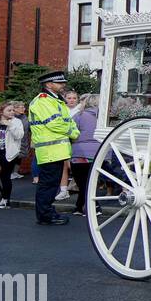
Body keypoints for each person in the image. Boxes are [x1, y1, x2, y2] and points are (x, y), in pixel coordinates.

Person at [28, 70, 80, 227]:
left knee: (51, 184)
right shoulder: (43, 101)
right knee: (48, 185)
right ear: (48, 84)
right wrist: (73, 133)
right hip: (49, 150)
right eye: (59, 83)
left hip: (57, 150)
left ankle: (47, 212)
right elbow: (54, 123)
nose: (63, 85)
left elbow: (68, 121)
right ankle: (45, 215)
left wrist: (73, 130)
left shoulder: (56, 101)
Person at [69, 94, 100, 216]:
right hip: (99, 152)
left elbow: (72, 132)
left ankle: (95, 206)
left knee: (82, 182)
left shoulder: (79, 116)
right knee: (89, 181)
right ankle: (79, 207)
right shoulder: (102, 118)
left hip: (80, 152)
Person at [57, 88, 81, 202]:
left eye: (74, 98)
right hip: (63, 140)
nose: (71, 100)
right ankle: (63, 190)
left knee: (74, 165)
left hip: (76, 140)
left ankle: (81, 187)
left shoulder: (80, 110)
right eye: (69, 98)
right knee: (64, 165)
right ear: (65, 99)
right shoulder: (62, 109)